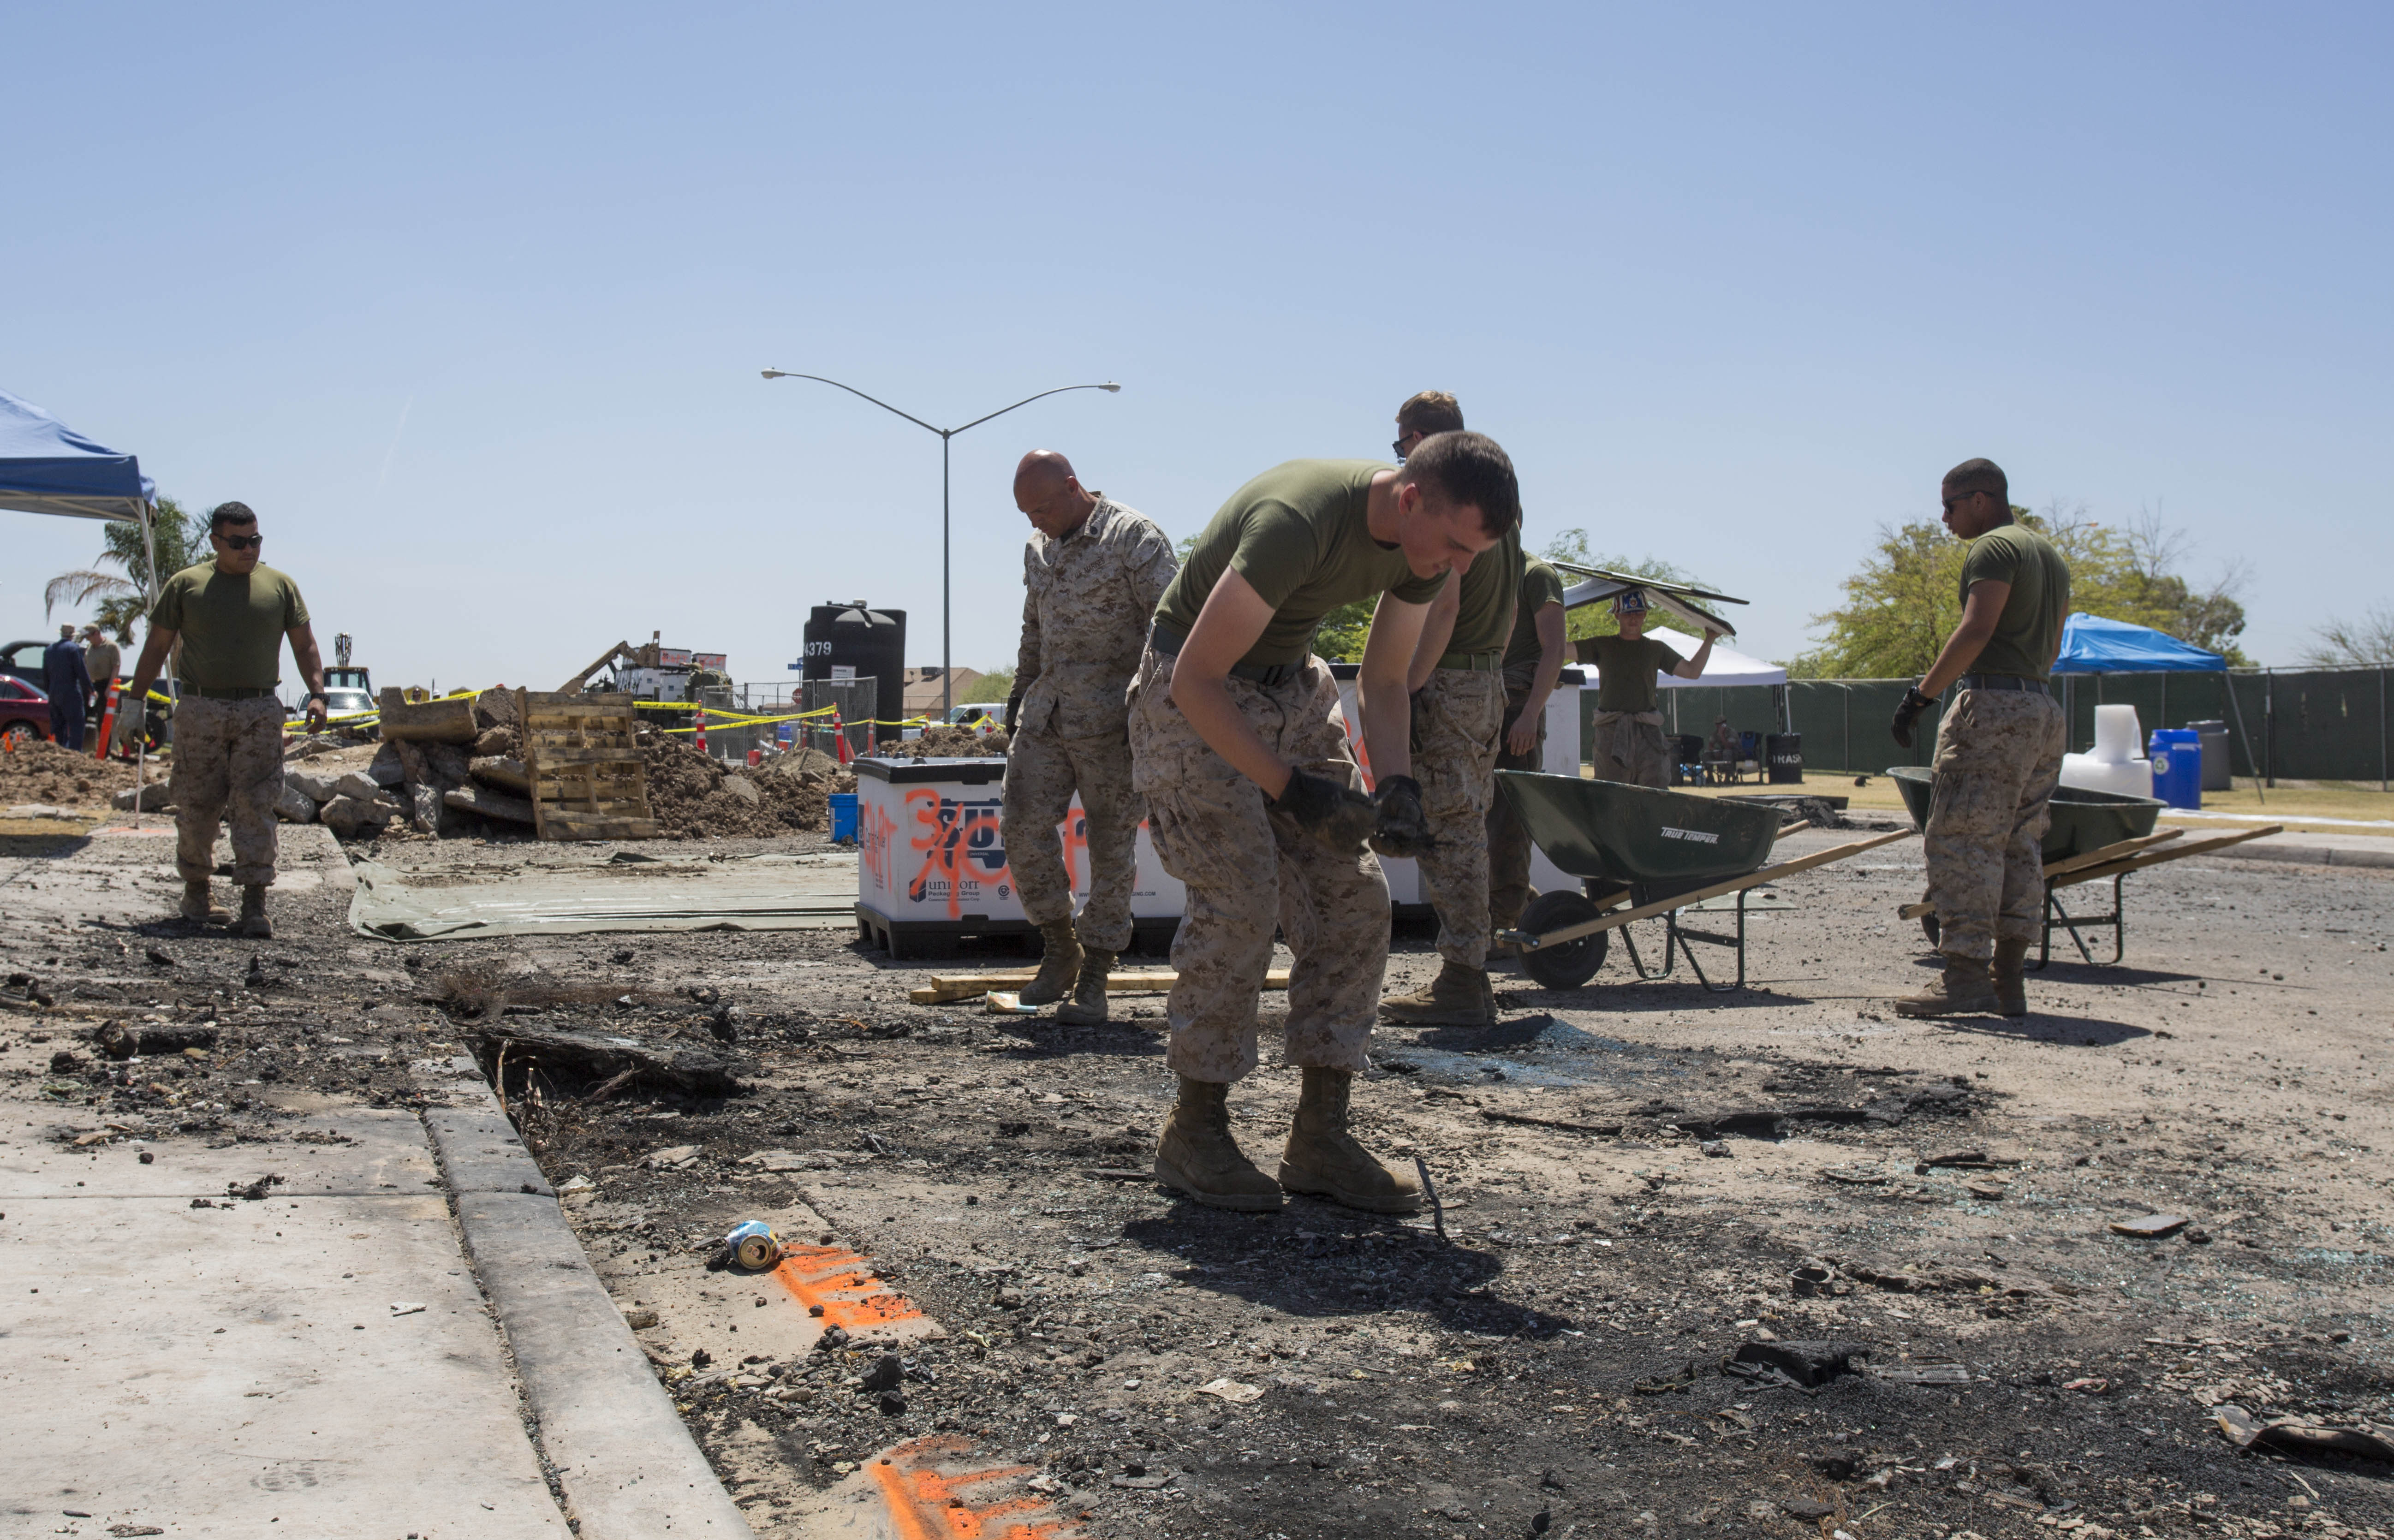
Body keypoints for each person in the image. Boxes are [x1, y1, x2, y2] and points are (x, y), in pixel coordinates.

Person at [1131, 432, 1519, 1214]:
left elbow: (1382, 677)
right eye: (1453, 544)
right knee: (1241, 894)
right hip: (1193, 689)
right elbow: (1196, 678)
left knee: (1356, 900)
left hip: (1291, 688)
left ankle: (1320, 1137)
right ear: (1410, 498)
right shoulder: (1297, 521)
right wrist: (1292, 790)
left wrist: (1399, 781)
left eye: (1473, 553)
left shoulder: (1420, 551)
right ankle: (1194, 1129)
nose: (1459, 567)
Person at [1000, 450, 1178, 1023]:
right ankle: (1060, 949)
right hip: (1048, 714)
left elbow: (1172, 630)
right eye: (1026, 513)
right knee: (1021, 826)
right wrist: (1021, 688)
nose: (1036, 523)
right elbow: (1035, 623)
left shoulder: (1135, 539)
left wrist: (1151, 710)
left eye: (1043, 509)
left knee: (1111, 847)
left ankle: (1097, 972)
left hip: (1114, 724)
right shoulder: (1039, 547)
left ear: (1074, 487)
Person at [1888, 458, 2069, 1019]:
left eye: (1950, 505)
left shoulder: (1993, 549)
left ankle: (1964, 976)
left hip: (1992, 707)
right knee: (2019, 840)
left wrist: (1922, 696)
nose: (1944, 518)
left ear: (1982, 499)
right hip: (2041, 705)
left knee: (1963, 839)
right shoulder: (2052, 558)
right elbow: (2055, 643)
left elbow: (1977, 628)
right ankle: (2007, 980)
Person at [1378, 392, 1525, 1027]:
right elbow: (1511, 604)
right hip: (1483, 678)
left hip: (1448, 679)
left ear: (1415, 439)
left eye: (1398, 446)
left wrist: (1405, 686)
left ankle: (1464, 978)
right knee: (1463, 826)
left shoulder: (1448, 504)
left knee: (1451, 833)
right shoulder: (1501, 505)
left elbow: (1442, 603)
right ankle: (1465, 970)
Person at [118, 502, 329, 938]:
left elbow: (305, 645)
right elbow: (156, 647)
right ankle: (197, 892)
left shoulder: (280, 586)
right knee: (197, 803)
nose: (248, 549)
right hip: (201, 710)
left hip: (259, 711)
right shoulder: (186, 585)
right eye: (238, 542)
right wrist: (134, 703)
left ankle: (254, 903)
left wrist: (318, 694)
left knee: (256, 804)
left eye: (255, 540)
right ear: (216, 542)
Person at [1486, 553, 1569, 954]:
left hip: (1517, 708)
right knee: (1477, 821)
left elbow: (1555, 649)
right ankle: (1523, 907)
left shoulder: (1536, 574)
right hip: (1484, 707)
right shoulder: (1479, 568)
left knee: (1507, 825)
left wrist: (1531, 714)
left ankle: (1504, 927)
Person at [1581, 589, 1717, 786]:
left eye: (1638, 613)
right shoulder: (1603, 645)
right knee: (1611, 795)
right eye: (1628, 613)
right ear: (1617, 615)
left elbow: (1692, 671)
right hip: (1611, 733)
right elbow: (1561, 649)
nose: (1633, 618)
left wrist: (1710, 640)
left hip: (1648, 733)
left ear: (1645, 614)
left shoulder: (1656, 649)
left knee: (1655, 792)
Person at [41, 625, 91, 750]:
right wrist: (91, 688)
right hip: (71, 693)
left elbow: (45, 675)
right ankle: (74, 754)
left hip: (54, 694)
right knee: (76, 726)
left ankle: (58, 752)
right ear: (72, 636)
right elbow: (81, 671)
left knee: (57, 727)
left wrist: (49, 692)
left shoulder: (49, 650)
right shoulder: (73, 649)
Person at [81, 624, 122, 724]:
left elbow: (116, 667)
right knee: (85, 713)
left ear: (96, 633)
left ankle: (104, 739)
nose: (87, 640)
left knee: (103, 716)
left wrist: (110, 687)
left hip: (105, 684)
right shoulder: (89, 648)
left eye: (89, 637)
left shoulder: (111, 647)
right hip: (91, 685)